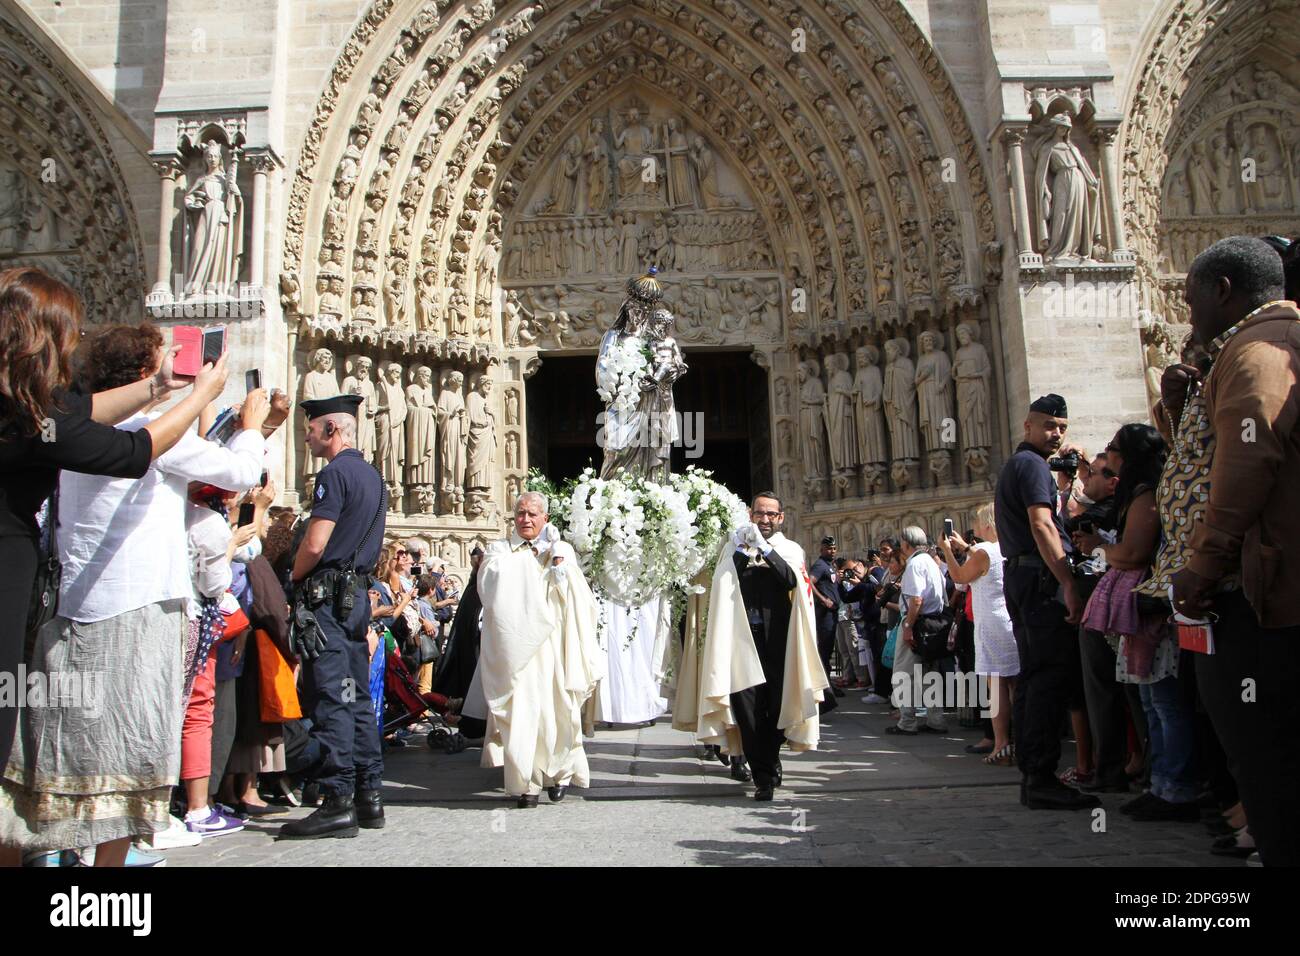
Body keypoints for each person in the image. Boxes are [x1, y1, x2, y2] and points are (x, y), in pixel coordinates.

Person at [0, 270, 226, 793]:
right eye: (67, 334)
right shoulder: (30, 422)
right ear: (42, 340)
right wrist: (199, 398)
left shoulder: (21, 411)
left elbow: (78, 413)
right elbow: (132, 452)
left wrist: (157, 386)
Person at [1168, 236, 1300, 866]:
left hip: (1258, 595)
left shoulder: (1256, 354)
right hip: (1264, 581)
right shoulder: (1262, 347)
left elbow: (1247, 465)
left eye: (1192, 298)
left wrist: (1201, 564)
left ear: (1223, 291)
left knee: (1264, 752)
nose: (1188, 312)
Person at [281, 394, 387, 839]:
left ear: (333, 430)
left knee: (331, 695)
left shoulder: (333, 474)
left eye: (311, 427)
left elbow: (315, 543)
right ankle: (370, 796)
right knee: (357, 695)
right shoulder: (375, 478)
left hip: (326, 599)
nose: (306, 434)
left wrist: (294, 577)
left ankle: (337, 798)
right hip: (357, 598)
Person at [678, 492, 827, 800]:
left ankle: (770, 760)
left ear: (781, 518)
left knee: (776, 705)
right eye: (760, 513)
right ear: (750, 514)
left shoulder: (790, 549)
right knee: (747, 707)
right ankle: (763, 777)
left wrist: (766, 551)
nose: (765, 519)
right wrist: (742, 552)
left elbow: (791, 581)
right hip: (741, 640)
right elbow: (721, 583)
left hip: (779, 639)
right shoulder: (734, 548)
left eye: (771, 514)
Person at [1075, 424, 1191, 820]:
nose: (1108, 455)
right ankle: (1161, 782)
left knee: (1163, 700)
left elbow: (1135, 552)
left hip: (1152, 610)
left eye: (1113, 448)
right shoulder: (1139, 493)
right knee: (1151, 699)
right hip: (1143, 609)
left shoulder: (1144, 496)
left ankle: (1175, 787)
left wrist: (1102, 549)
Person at [994, 393, 1099, 811]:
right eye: (1049, 426)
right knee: (1047, 678)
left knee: (1036, 676)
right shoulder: (1033, 465)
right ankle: (1040, 776)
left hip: (1023, 577)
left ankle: (1035, 774)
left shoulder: (1019, 466)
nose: (1056, 434)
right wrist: (1068, 582)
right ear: (1028, 426)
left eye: (1062, 428)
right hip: (1039, 581)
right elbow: (1042, 525)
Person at [476, 493, 603, 807]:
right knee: (524, 715)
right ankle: (527, 783)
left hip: (552, 648)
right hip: (517, 652)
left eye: (533, 514)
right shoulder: (499, 552)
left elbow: (579, 600)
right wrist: (531, 565)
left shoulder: (561, 550)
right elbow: (491, 586)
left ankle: (559, 773)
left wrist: (562, 568)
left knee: (557, 710)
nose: (526, 520)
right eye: (520, 514)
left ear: (546, 518)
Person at [940, 503, 1017, 765]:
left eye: (977, 521)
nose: (974, 526)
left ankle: (1002, 744)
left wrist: (947, 551)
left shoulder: (984, 551)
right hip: (1008, 621)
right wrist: (965, 547)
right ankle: (1019, 742)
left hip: (990, 624)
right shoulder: (1007, 548)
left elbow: (959, 577)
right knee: (1014, 686)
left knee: (996, 688)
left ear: (986, 525)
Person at [886, 527, 950, 736]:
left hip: (917, 623)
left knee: (903, 673)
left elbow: (916, 599)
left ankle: (907, 722)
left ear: (905, 544)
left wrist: (908, 627)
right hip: (933, 623)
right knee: (929, 674)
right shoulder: (932, 562)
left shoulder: (914, 564)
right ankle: (936, 720)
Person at [809, 536, 842, 699]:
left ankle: (828, 685)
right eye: (829, 549)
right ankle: (824, 688)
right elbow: (808, 582)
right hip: (825, 614)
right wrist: (823, 599)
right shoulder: (820, 566)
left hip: (834, 612)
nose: (832, 551)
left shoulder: (830, 566)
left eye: (834, 548)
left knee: (828, 650)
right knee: (825, 650)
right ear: (821, 549)